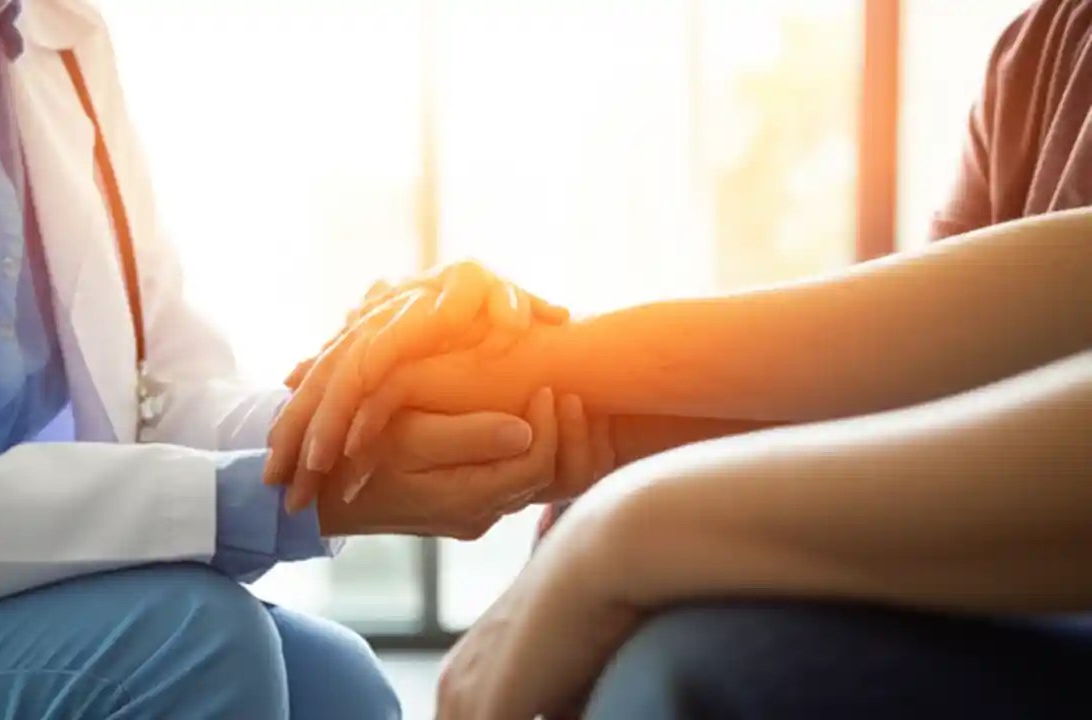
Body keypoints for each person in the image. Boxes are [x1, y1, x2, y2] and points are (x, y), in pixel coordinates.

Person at [267, 1, 1092, 717]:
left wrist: (624, 531)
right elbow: (926, 389)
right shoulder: (1042, 51)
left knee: (703, 668)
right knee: (593, 520)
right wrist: (546, 384)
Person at [0, 1, 613, 718]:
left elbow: (162, 392)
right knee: (198, 645)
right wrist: (289, 499)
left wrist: (357, 415)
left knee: (342, 689)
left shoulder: (64, 37)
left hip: (24, 589)